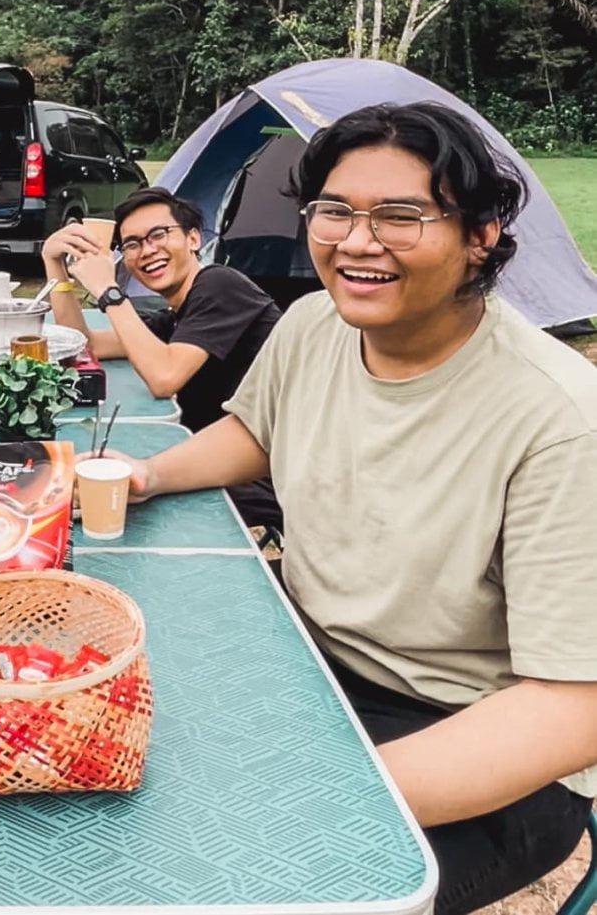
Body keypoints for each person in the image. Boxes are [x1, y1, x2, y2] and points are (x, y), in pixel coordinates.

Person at [107, 104, 597, 915]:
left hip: (472, 733)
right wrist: (147, 476)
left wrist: (333, 786)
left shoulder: (560, 420)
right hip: (309, 667)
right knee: (121, 770)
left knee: (243, 882)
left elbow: (572, 707)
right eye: (335, 211)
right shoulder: (313, 324)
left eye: (401, 215)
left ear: (482, 232)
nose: (357, 241)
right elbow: (254, 430)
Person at [42, 186, 282, 527]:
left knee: (105, 501)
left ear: (194, 239)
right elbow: (85, 345)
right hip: (201, 453)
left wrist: (109, 293)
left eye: (158, 234)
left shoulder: (221, 285)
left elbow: (164, 378)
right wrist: (55, 267)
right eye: (132, 244)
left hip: (261, 473)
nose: (146, 250)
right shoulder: (178, 315)